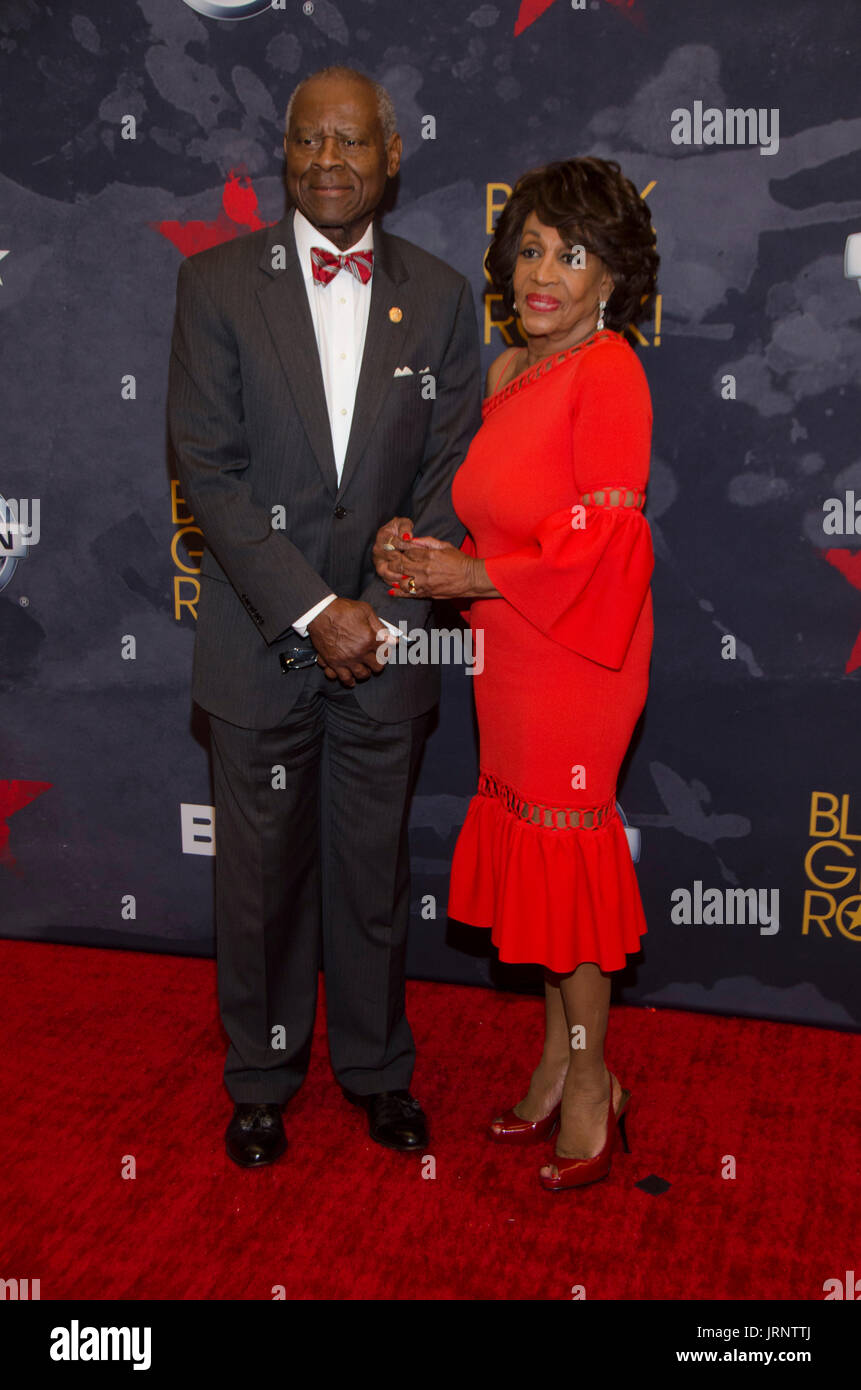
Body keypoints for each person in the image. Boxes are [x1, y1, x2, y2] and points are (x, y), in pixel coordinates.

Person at [168, 65, 481, 1167]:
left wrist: (380, 616)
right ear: (284, 155)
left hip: (390, 642)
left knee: (371, 872)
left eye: (352, 141)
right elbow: (208, 470)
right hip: (259, 640)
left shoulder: (442, 296)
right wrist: (314, 611)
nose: (329, 161)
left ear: (392, 156)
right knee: (257, 881)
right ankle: (261, 1079)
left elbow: (450, 475)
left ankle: (378, 1069)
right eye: (309, 140)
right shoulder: (215, 285)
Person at [375, 157, 659, 1191]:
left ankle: (592, 1080)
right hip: (510, 649)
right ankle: (554, 1057)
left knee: (563, 866)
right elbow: (496, 522)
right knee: (538, 866)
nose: (544, 274)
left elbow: (606, 544)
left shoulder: (610, 372)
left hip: (581, 655)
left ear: (611, 278)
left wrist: (475, 575)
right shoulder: (505, 375)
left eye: (572, 255)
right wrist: (425, 552)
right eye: (531, 249)